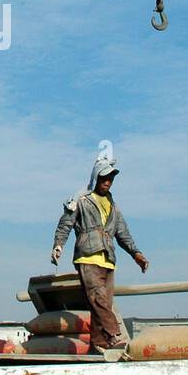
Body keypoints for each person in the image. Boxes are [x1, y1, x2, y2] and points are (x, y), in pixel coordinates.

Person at [51, 149, 149, 352]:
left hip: (108, 260)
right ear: (96, 177)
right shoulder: (82, 199)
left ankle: (98, 345)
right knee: (99, 299)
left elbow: (122, 232)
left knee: (101, 305)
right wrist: (58, 244)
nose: (108, 182)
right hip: (88, 256)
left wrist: (136, 254)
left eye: (111, 179)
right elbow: (65, 224)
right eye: (104, 178)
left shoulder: (112, 204)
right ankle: (114, 334)